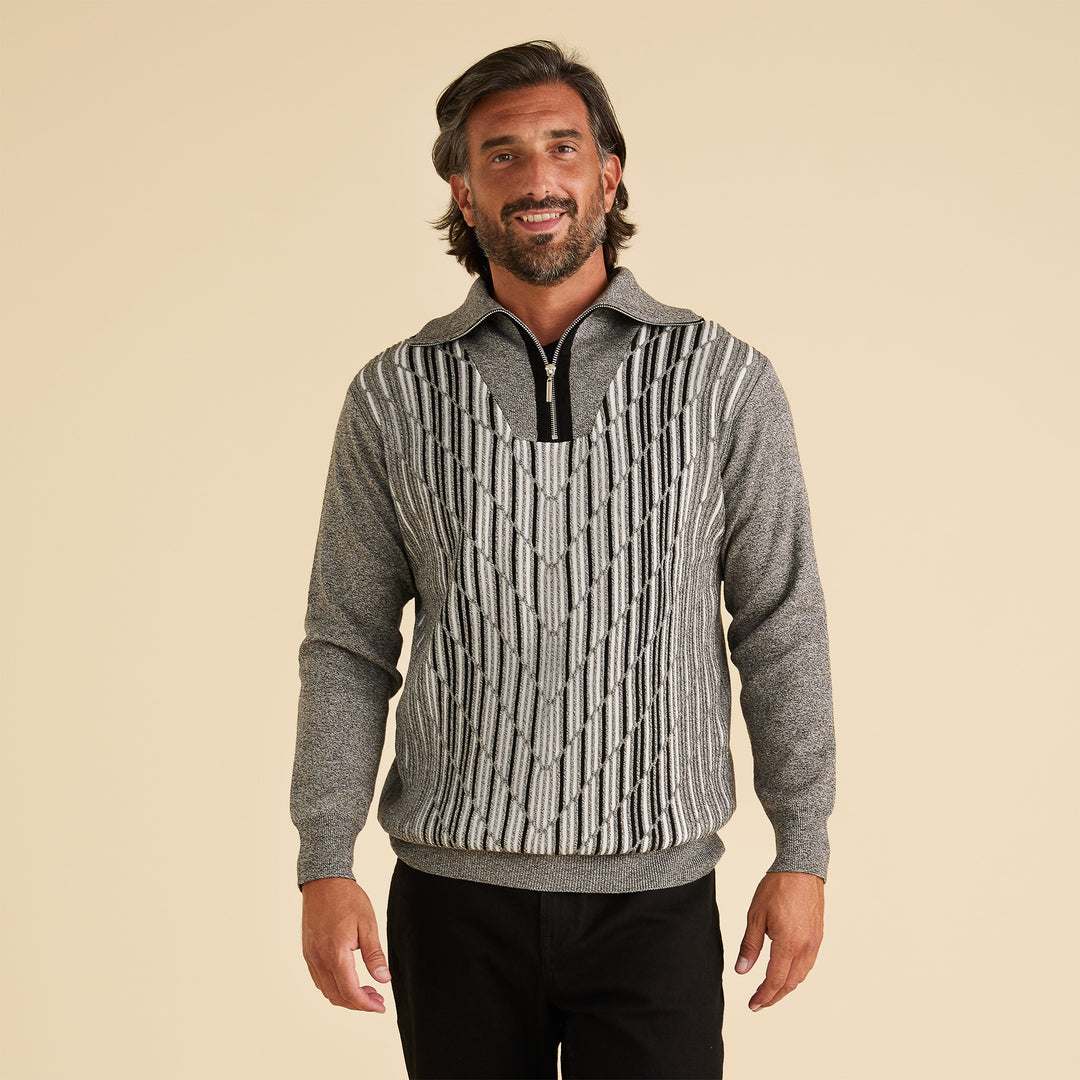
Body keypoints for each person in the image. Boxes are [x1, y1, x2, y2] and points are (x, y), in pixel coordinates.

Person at [290, 39, 835, 1080]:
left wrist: (801, 847)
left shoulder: (723, 381)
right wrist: (325, 858)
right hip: (451, 902)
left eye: (562, 147)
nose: (537, 177)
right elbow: (347, 644)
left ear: (608, 175)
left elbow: (781, 624)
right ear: (463, 190)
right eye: (502, 154)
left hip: (656, 900)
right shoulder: (394, 396)